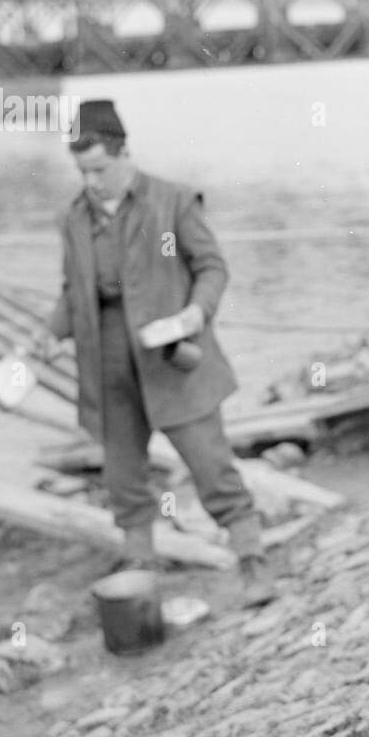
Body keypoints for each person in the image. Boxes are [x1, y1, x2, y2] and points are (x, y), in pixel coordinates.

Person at [30, 99, 275, 607]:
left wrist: (194, 315)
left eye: (99, 168)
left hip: (172, 357)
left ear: (125, 155)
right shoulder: (73, 218)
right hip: (106, 357)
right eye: (83, 171)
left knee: (210, 463)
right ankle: (139, 563)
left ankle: (252, 561)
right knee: (122, 471)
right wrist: (50, 334)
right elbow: (72, 291)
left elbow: (212, 267)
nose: (92, 181)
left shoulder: (174, 201)